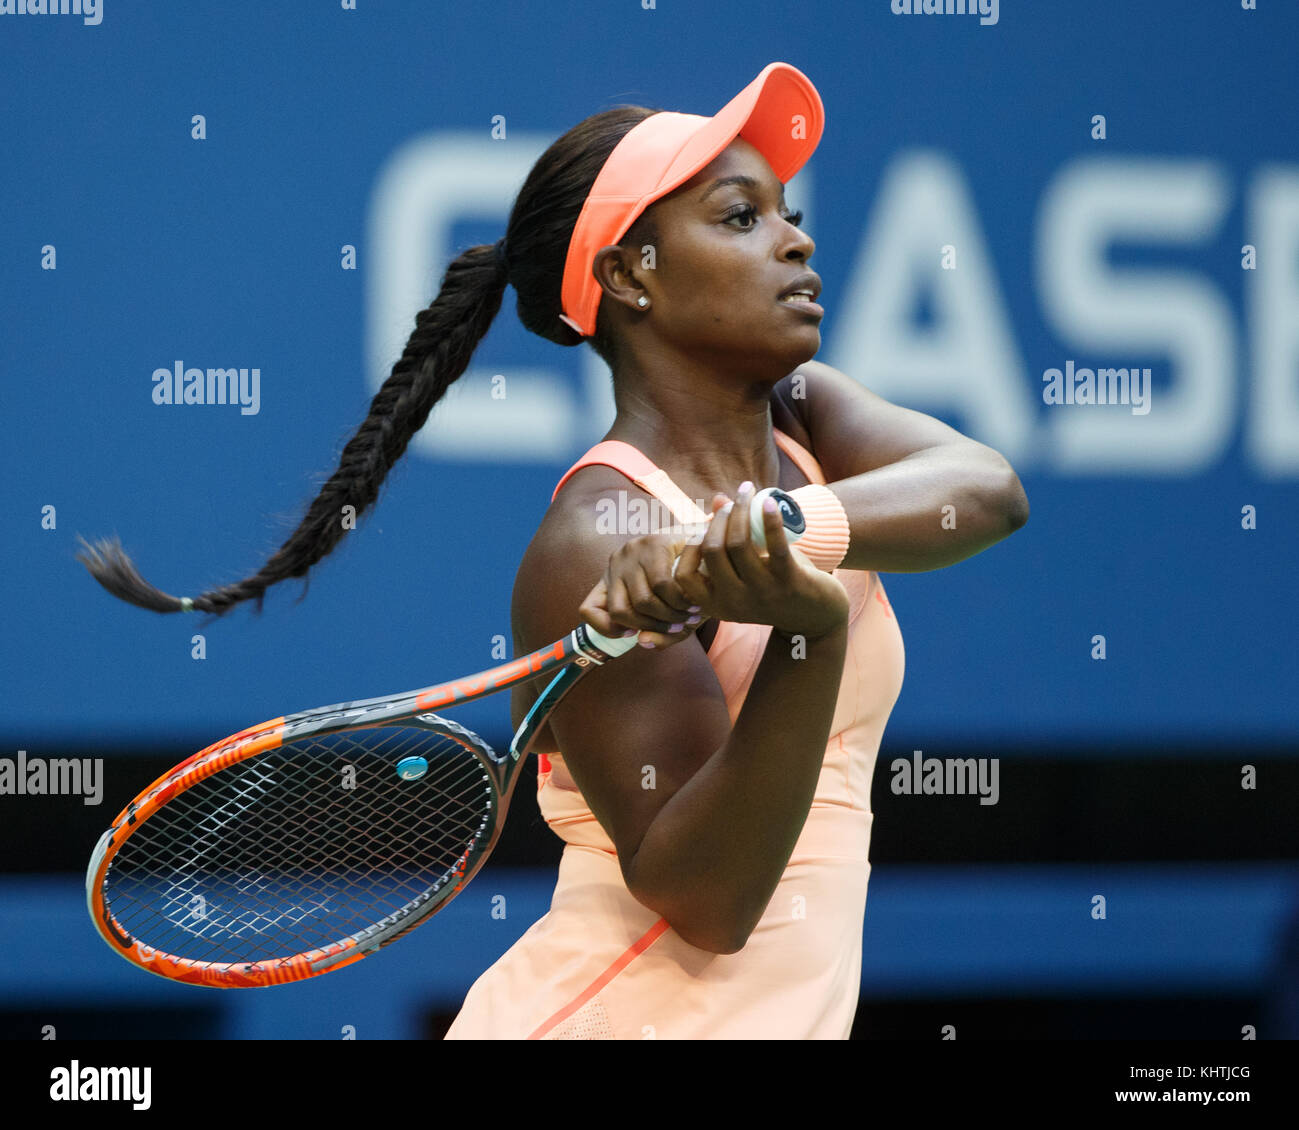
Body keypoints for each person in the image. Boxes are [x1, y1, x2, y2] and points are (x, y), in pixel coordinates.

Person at [77, 61, 1029, 1039]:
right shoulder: (589, 542)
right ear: (627, 275)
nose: (797, 238)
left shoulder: (806, 416)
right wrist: (805, 633)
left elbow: (988, 492)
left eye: (785, 211)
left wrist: (776, 536)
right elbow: (711, 901)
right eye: (742, 215)